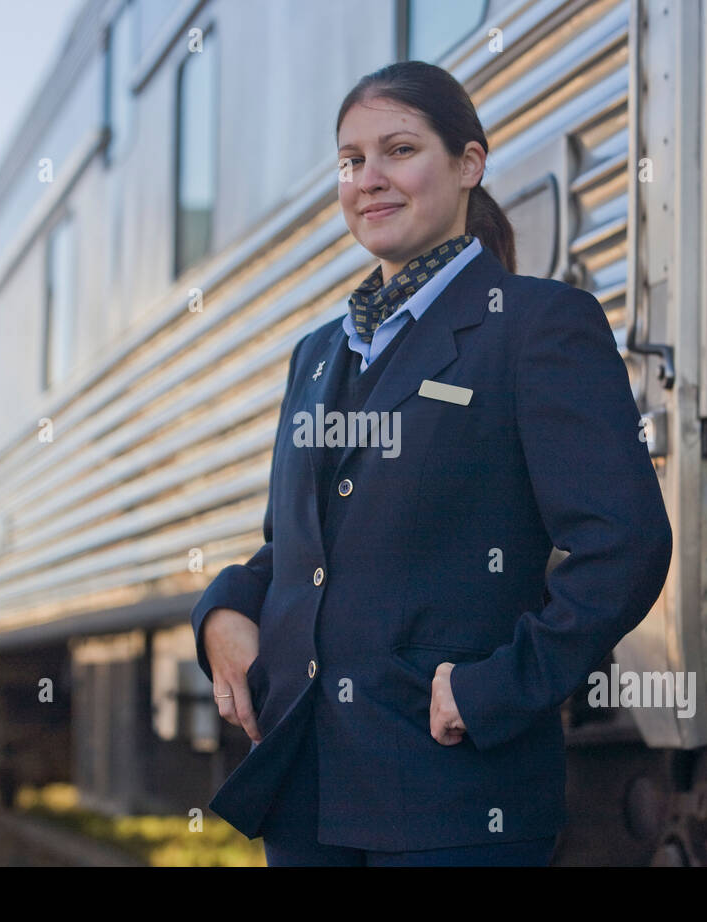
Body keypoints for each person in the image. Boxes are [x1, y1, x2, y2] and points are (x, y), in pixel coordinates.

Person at [191, 60, 672, 866]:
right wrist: (224, 610)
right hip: (308, 794)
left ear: (468, 165)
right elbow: (298, 549)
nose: (369, 179)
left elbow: (624, 542)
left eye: (399, 150)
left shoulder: (537, 327)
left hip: (452, 798)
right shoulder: (316, 356)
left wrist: (500, 687)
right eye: (351, 161)